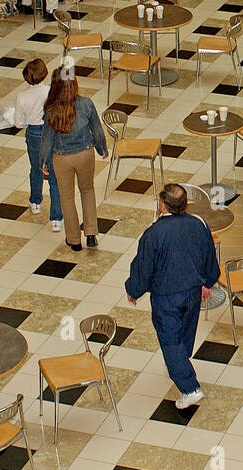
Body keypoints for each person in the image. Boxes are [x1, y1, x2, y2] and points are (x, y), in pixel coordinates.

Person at [124, 184, 221, 409]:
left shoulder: (154, 233)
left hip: (166, 296)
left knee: (170, 339)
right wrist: (207, 282)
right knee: (186, 331)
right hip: (193, 292)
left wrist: (133, 289)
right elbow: (209, 255)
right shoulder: (199, 224)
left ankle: (190, 388)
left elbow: (144, 268)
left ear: (163, 205)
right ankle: (180, 362)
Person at [39, 69, 108, 251]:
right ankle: (91, 233)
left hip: (62, 158)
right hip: (85, 154)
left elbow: (47, 140)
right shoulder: (86, 104)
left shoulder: (51, 111)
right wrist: (102, 148)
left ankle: (74, 239)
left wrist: (44, 162)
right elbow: (97, 130)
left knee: (67, 198)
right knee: (87, 190)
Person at [14, 58, 62, 233]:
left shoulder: (22, 96)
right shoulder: (51, 92)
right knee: (54, 176)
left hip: (33, 134)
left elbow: (18, 123)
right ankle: (56, 219)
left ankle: (35, 202)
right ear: (45, 74)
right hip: (50, 133)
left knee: (36, 169)